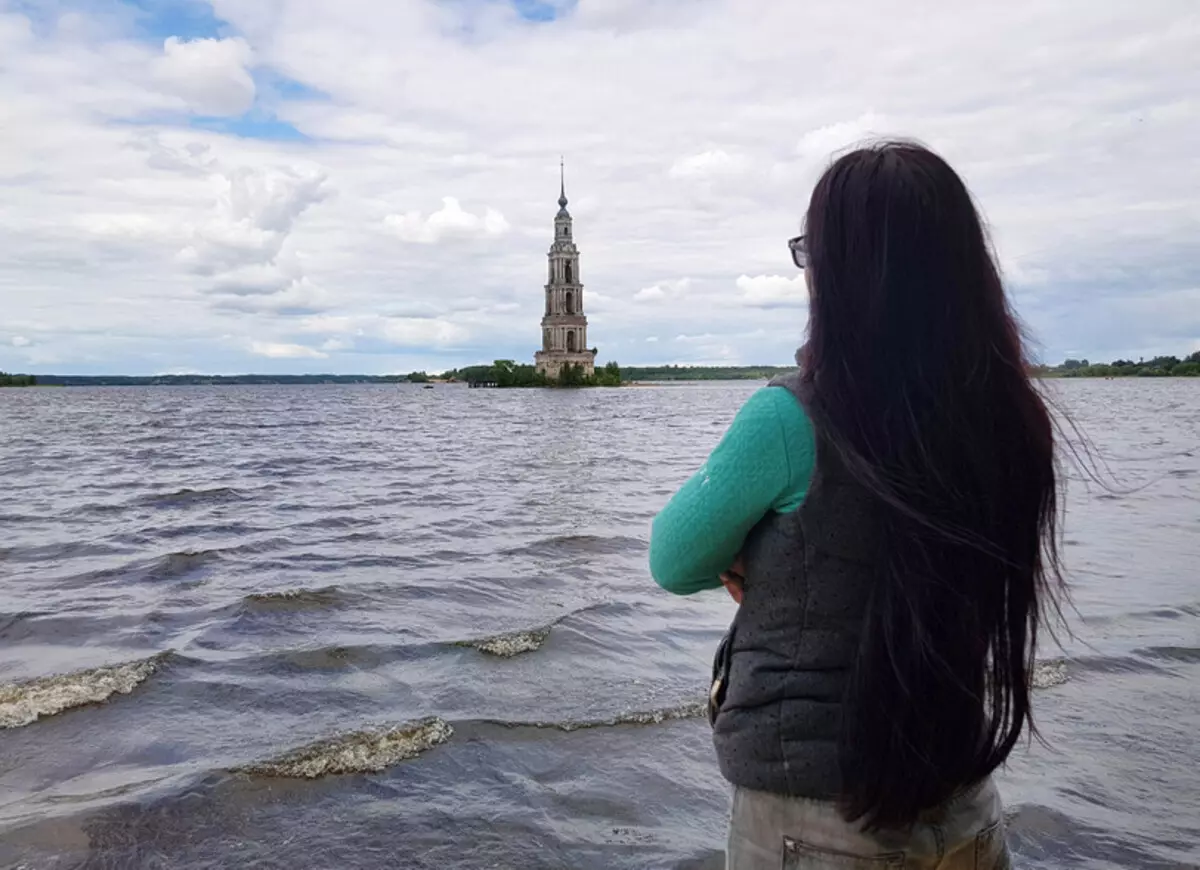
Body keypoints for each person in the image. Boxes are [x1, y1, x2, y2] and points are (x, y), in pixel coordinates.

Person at [649, 141, 1064, 869]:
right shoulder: (1008, 421)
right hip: (966, 800)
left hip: (813, 820)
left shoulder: (789, 417)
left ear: (847, 273)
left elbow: (673, 559)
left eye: (814, 253)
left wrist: (758, 555)